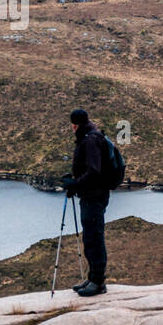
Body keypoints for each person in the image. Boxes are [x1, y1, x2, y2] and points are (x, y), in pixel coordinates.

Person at [63, 107, 108, 296]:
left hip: (94, 196)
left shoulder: (90, 140)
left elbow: (94, 171)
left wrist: (75, 184)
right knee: (90, 237)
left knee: (94, 238)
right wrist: (75, 182)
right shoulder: (90, 136)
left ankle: (98, 282)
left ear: (75, 124)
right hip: (90, 195)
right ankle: (93, 278)